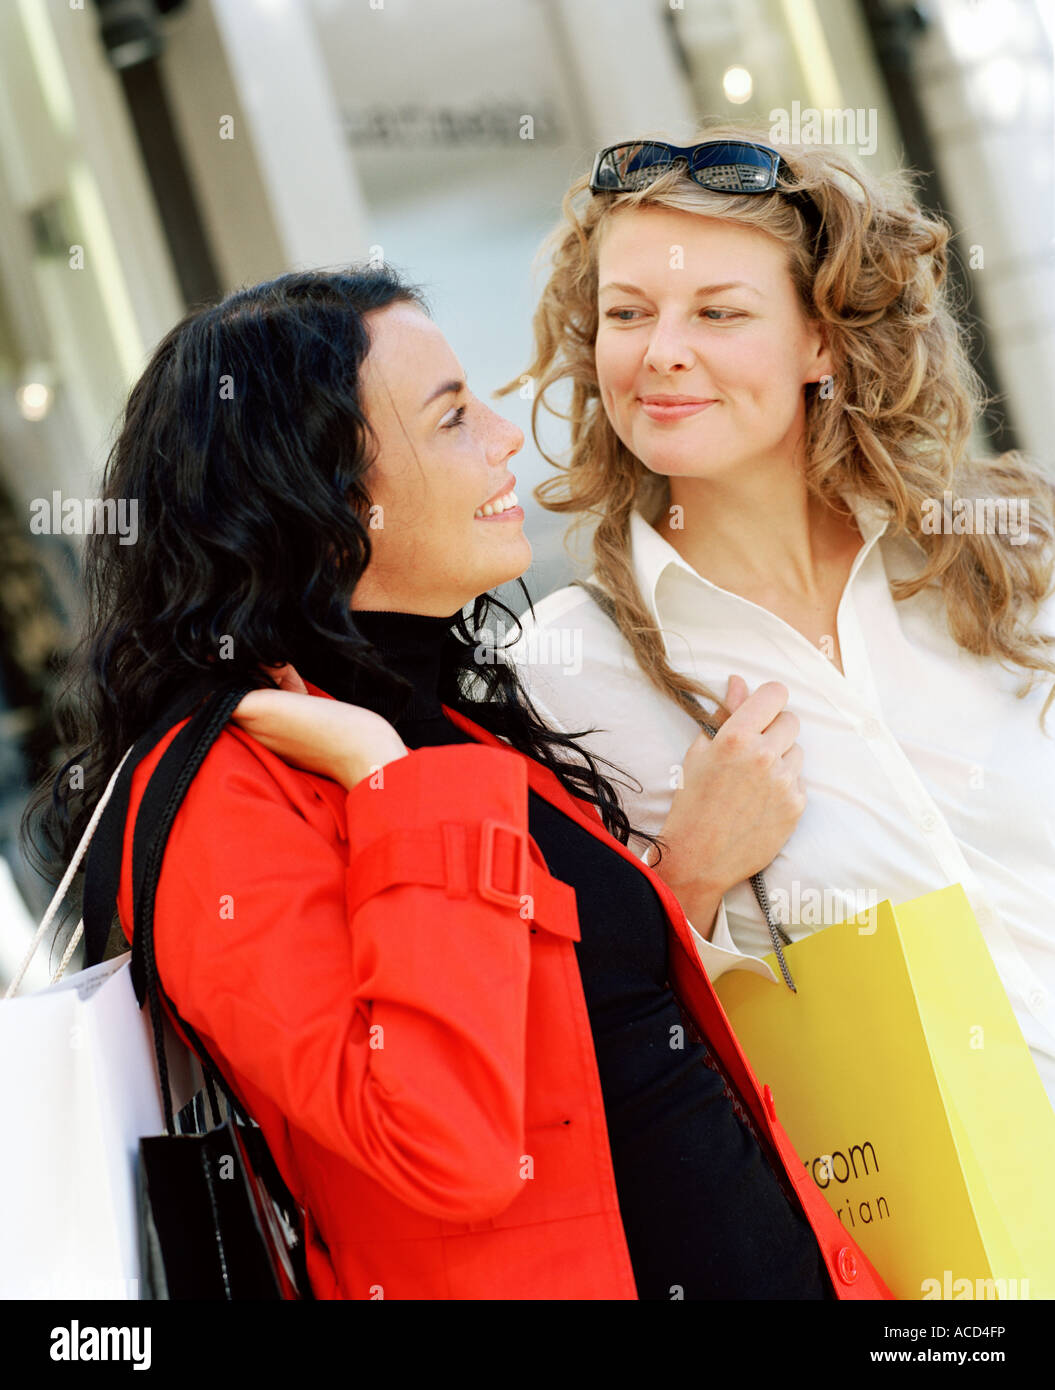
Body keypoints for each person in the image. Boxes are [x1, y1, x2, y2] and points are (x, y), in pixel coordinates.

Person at [22, 266, 890, 1300]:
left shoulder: (452, 712)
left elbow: (572, 1044)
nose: (503, 434)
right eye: (449, 419)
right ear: (323, 492)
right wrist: (383, 779)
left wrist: (681, 877)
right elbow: (444, 1143)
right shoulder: (232, 788)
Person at [499, 123, 1055, 1107]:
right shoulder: (557, 676)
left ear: (820, 338)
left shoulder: (1007, 556)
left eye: (717, 313)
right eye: (627, 313)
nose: (662, 354)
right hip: (932, 1245)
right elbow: (574, 1045)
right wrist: (689, 874)